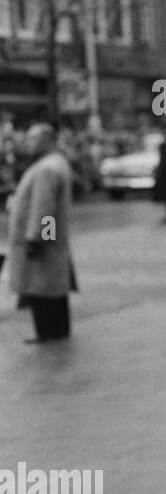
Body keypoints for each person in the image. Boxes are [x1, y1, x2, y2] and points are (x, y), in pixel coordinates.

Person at [6, 123, 76, 343]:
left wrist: (38, 238)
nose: (28, 143)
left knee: (42, 286)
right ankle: (57, 330)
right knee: (51, 286)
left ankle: (49, 332)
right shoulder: (54, 163)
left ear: (46, 139)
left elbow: (44, 208)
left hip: (42, 240)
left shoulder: (46, 168)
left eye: (32, 139)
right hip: (51, 239)